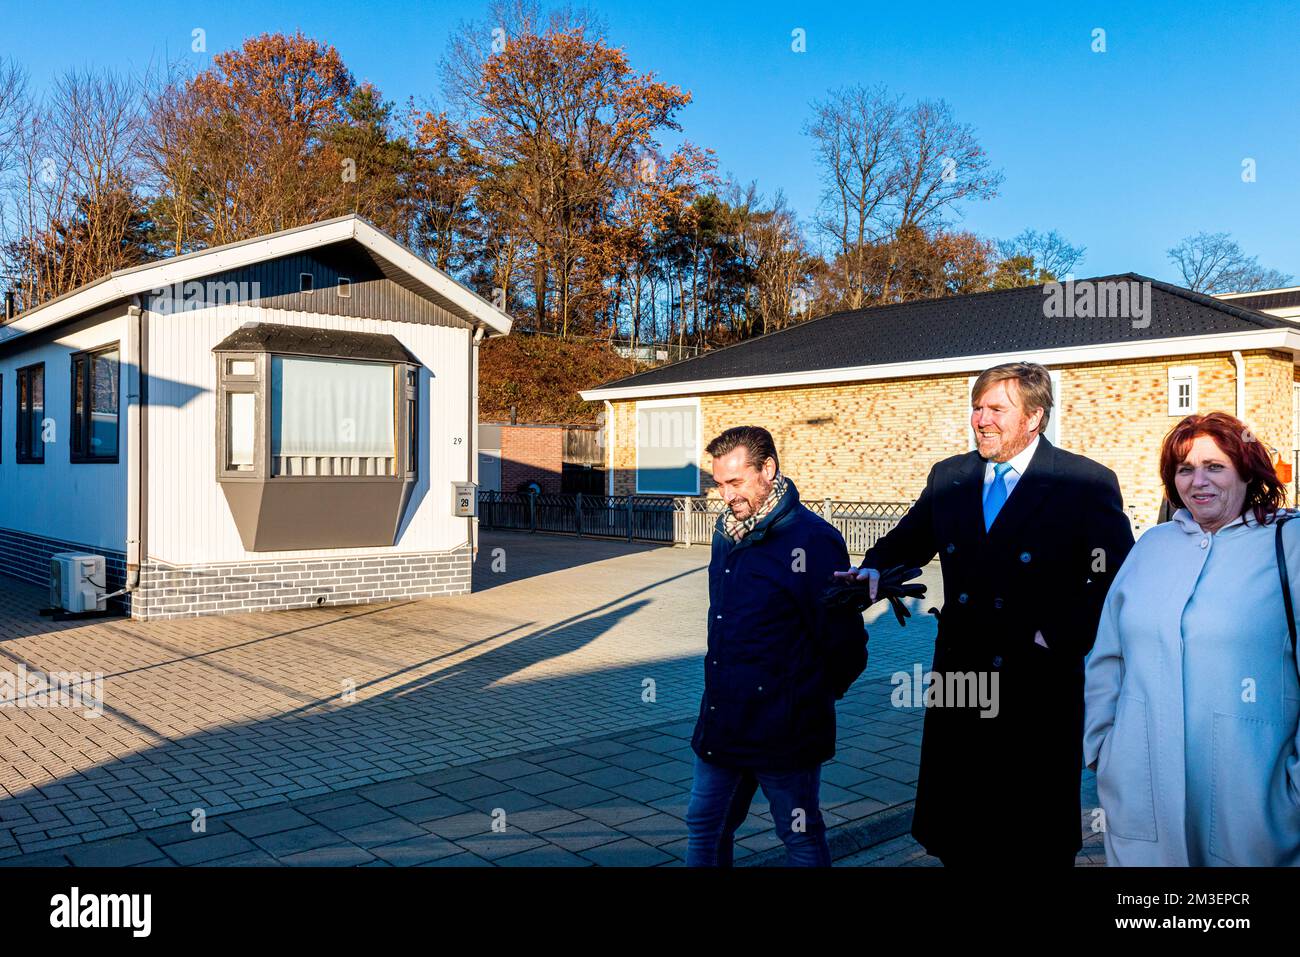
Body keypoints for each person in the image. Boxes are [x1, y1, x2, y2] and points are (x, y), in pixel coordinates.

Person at [837, 361, 1134, 866]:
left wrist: (1058, 636)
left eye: (997, 409)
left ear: (1034, 417)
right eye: (977, 407)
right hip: (961, 674)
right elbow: (907, 540)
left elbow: (1114, 577)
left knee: (1029, 836)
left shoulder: (1083, 482)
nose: (981, 419)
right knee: (961, 829)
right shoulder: (951, 477)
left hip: (1037, 681)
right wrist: (873, 570)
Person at [1083, 412, 1300, 866]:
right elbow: (1108, 655)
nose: (1198, 481)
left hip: (1255, 803)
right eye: (1184, 469)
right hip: (1142, 787)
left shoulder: (1290, 543)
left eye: (1214, 466)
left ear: (1246, 470)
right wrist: (1103, 749)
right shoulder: (1152, 545)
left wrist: (1293, 790)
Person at [686, 426, 868, 867]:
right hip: (724, 718)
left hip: (785, 727)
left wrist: (804, 695)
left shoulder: (811, 539)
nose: (726, 495)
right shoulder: (726, 533)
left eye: (736, 482)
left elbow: (844, 641)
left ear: (768, 469)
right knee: (705, 824)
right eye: (719, 484)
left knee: (799, 834)